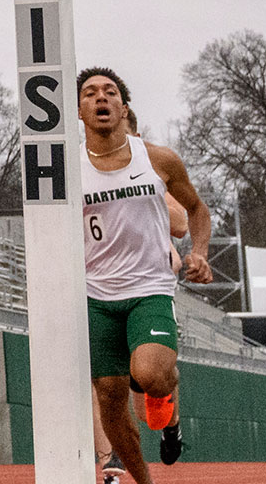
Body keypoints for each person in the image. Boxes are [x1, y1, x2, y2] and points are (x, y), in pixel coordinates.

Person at [78, 67, 213, 484]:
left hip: (148, 289)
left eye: (110, 92)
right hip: (95, 296)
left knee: (151, 375)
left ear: (123, 107)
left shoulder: (157, 159)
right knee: (111, 403)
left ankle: (166, 394)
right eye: (90, 93)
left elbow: (197, 210)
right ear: (79, 111)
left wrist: (201, 253)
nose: (101, 98)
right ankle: (144, 480)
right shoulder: (66, 170)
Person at [93, 104, 197, 478]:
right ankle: (115, 454)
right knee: (106, 384)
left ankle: (172, 423)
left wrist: (133, 192)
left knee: (146, 380)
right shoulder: (88, 167)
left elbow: (184, 221)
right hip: (101, 287)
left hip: (147, 283)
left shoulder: (151, 166)